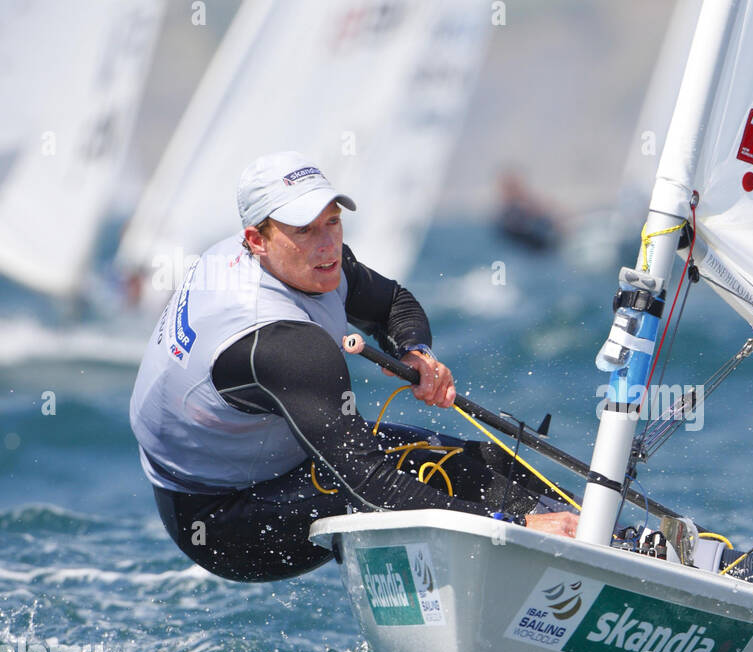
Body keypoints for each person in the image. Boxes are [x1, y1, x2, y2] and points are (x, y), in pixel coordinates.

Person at [129, 151, 579, 582]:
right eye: (304, 229)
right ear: (255, 241)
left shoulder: (307, 261)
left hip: (273, 458)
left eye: (333, 221)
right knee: (422, 482)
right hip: (221, 520)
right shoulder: (281, 344)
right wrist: (516, 525)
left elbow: (393, 303)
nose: (327, 244)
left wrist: (416, 352)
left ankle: (600, 539)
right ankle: (545, 560)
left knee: (481, 463)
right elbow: (372, 487)